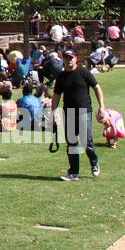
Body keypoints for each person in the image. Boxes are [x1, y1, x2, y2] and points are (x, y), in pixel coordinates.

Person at [48, 49, 105, 180]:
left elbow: (97, 87)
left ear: (76, 58)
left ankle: (94, 162)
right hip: (69, 112)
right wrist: (53, 112)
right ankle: (74, 172)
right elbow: (56, 95)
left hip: (84, 111)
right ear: (63, 59)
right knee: (72, 143)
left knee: (86, 142)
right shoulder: (61, 77)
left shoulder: (83, 72)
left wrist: (102, 106)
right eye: (66, 58)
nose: (69, 60)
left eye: (71, 58)